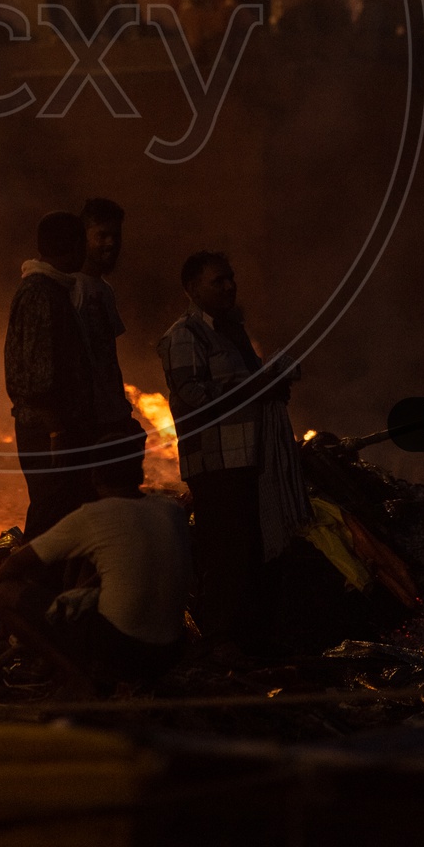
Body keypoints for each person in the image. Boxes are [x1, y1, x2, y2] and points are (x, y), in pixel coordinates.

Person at [158, 251, 309, 648]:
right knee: (226, 556)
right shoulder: (183, 335)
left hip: (248, 460)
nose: (228, 287)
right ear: (192, 289)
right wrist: (257, 388)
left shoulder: (233, 332)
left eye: (231, 279)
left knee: (252, 553)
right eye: (217, 281)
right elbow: (192, 396)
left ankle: (251, 642)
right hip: (215, 464)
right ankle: (222, 644)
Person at [0, 456, 190, 683]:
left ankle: (79, 679)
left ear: (94, 477)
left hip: (124, 654)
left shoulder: (94, 515)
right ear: (139, 475)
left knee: (3, 595)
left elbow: (12, 566)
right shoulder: (171, 509)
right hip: (170, 654)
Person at [4, 211, 98, 538]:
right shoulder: (41, 293)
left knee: (61, 513)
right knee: (51, 517)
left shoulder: (50, 290)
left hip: (51, 430)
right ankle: (29, 584)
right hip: (47, 432)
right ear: (72, 245)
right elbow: (39, 378)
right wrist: (58, 433)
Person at [71, 198, 143, 458]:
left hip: (108, 418)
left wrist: (121, 410)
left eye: (116, 236)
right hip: (84, 421)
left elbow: (108, 359)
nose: (111, 244)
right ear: (83, 236)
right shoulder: (72, 288)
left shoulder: (104, 290)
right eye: (101, 235)